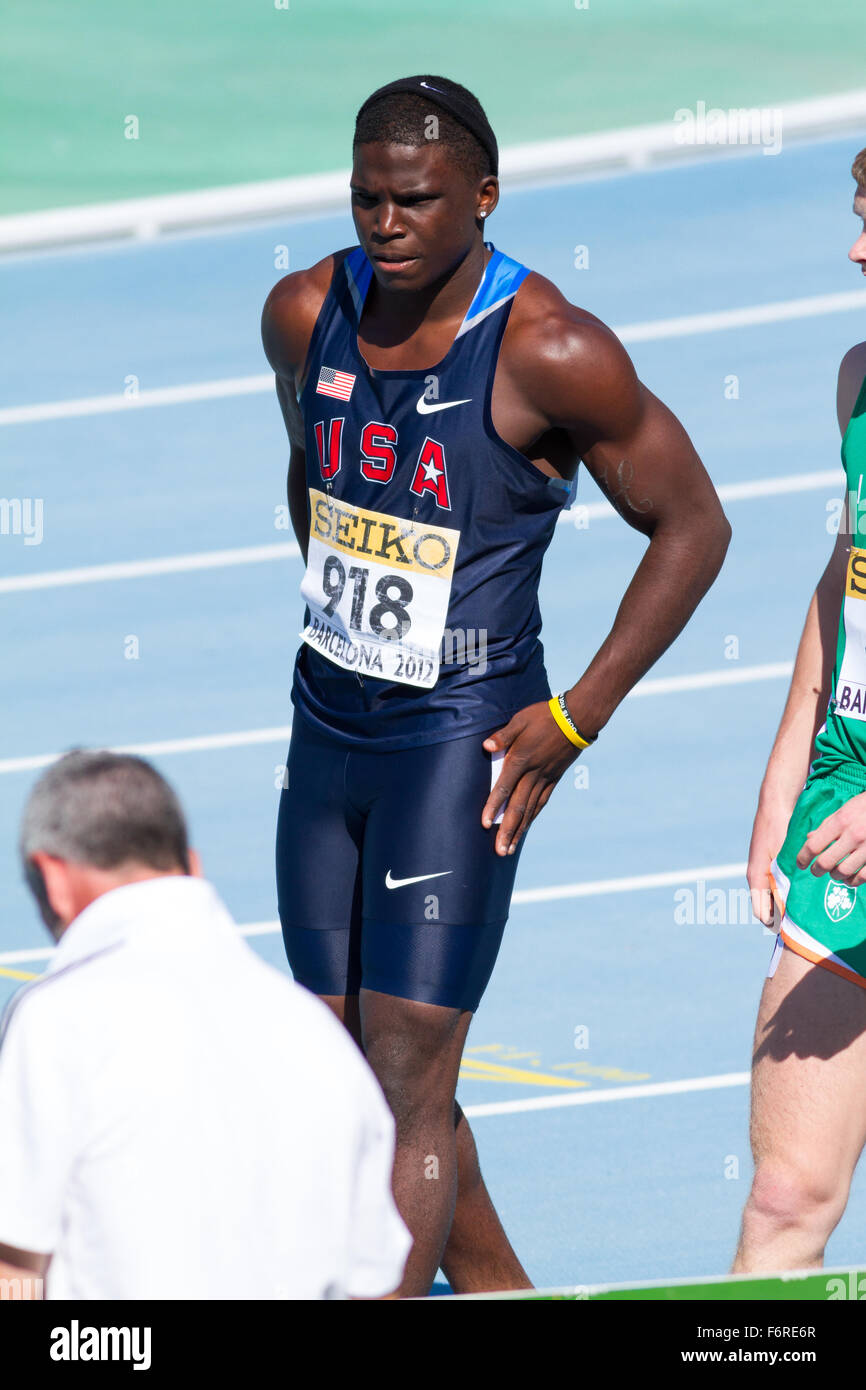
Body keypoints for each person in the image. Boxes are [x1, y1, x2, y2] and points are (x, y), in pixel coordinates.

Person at [262, 74, 731, 1297]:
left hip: (460, 741)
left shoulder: (551, 350)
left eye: (413, 200)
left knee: (407, 1080)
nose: (384, 223)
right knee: (335, 1075)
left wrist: (575, 715)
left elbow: (691, 526)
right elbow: (309, 479)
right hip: (327, 725)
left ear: (482, 198)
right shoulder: (302, 311)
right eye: (364, 198)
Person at [0, 750, 411, 1300]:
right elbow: (375, 1279)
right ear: (191, 865)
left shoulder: (54, 1020)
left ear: (52, 879)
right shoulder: (314, 1032)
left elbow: (15, 1267)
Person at [736, 146, 866, 1273]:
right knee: (783, 1194)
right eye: (860, 215)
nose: (856, 248)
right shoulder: (859, 379)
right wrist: (782, 774)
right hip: (841, 815)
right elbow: (843, 580)